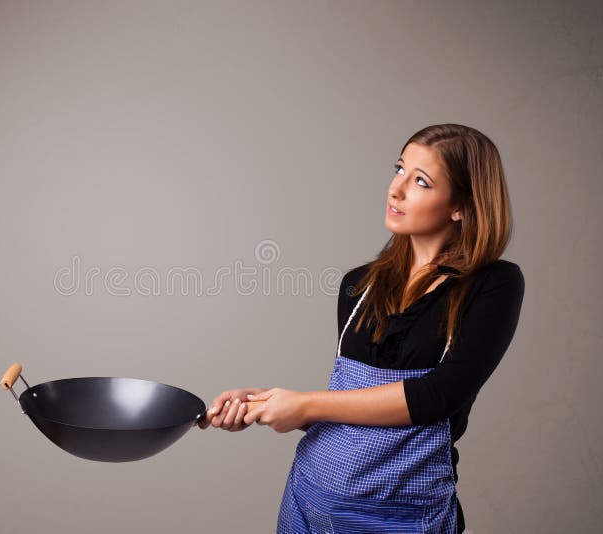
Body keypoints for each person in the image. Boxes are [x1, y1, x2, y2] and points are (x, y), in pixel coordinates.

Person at [197, 123, 526, 533]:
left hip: (402, 515)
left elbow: (438, 396)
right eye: (399, 169)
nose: (396, 189)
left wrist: (305, 404)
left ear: (461, 204)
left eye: (421, 182)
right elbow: (351, 406)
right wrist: (265, 403)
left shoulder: (492, 284)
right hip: (309, 501)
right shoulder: (358, 284)